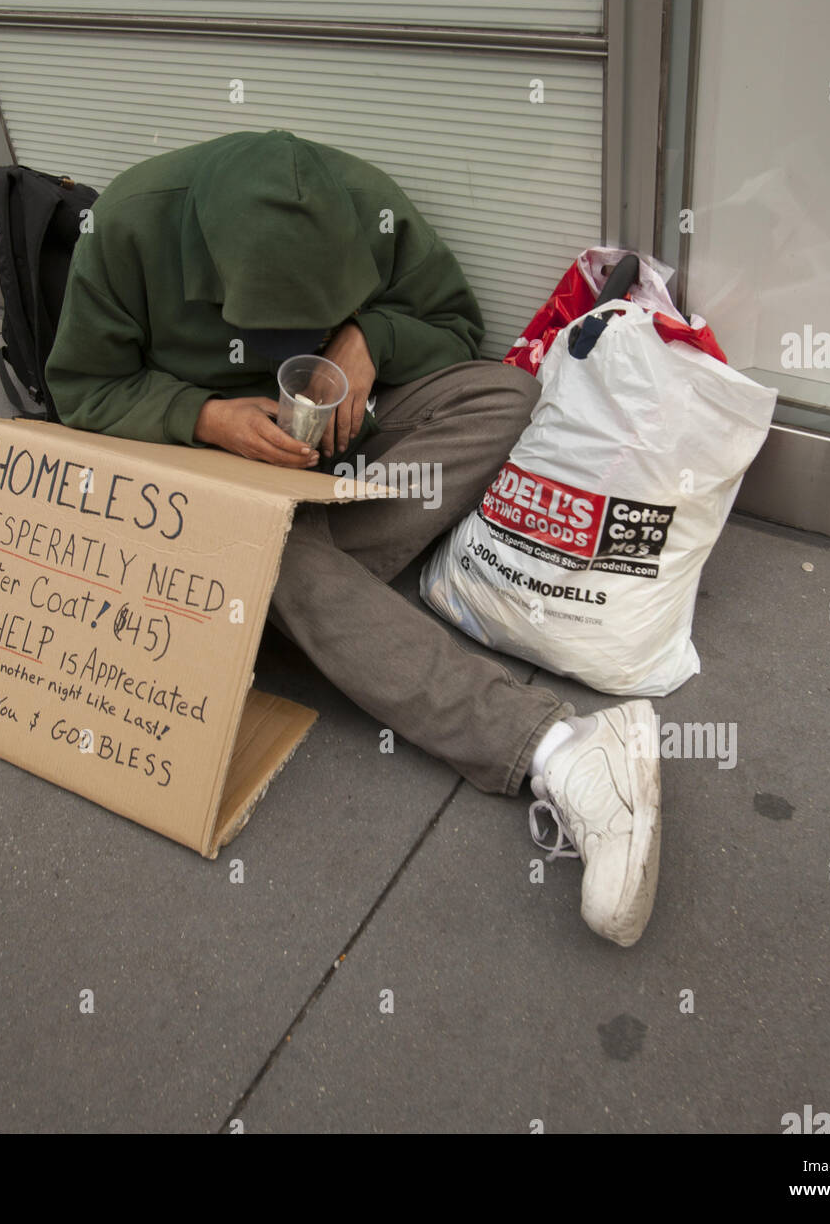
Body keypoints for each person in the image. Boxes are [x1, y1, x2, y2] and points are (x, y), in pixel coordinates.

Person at [45, 129, 662, 947]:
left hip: (340, 446)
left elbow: (454, 325)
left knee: (502, 398)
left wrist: (375, 339)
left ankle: (309, 605)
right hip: (205, 474)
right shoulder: (128, 225)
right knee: (265, 546)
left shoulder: (368, 204)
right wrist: (203, 415)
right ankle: (560, 748)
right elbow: (82, 391)